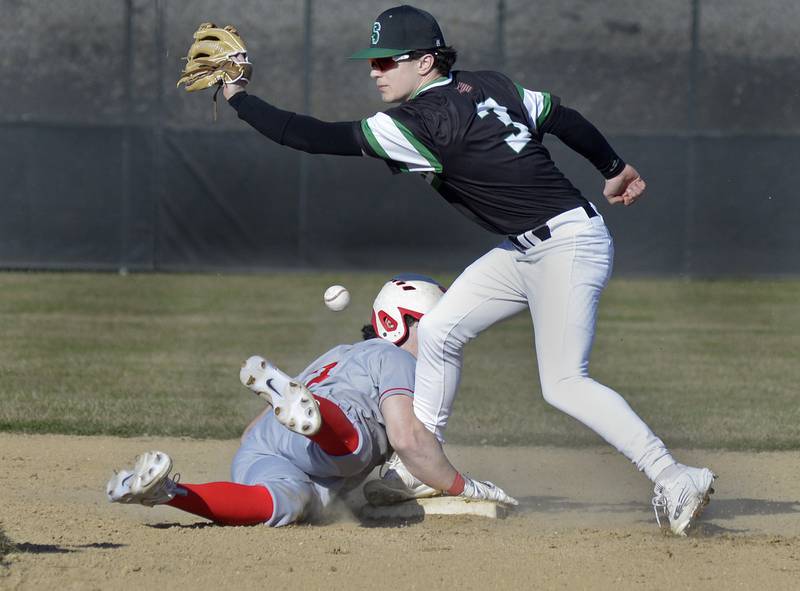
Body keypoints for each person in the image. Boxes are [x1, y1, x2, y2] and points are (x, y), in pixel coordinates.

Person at [218, 5, 714, 535]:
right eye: (373, 61)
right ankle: (418, 468)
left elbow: (309, 136)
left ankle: (673, 474)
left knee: (565, 382)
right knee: (438, 331)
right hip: (528, 247)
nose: (375, 71)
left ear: (426, 61)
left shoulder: (421, 123)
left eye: (388, 61)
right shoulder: (489, 85)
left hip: (566, 246)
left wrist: (238, 98)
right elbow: (560, 117)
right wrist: (614, 169)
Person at [106, 275, 516, 527]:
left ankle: (168, 493)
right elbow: (408, 440)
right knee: (360, 448)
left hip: (261, 446)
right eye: (432, 327)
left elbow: (252, 429)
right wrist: (467, 487)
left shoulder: (339, 352)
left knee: (283, 505)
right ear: (394, 324)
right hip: (331, 441)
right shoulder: (395, 357)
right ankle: (320, 422)